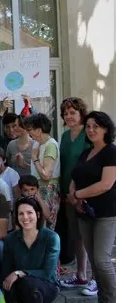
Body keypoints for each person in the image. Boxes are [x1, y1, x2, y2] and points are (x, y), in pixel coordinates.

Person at [71, 111, 116, 303]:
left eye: (96, 126)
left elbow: (106, 184)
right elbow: (75, 177)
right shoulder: (85, 153)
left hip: (106, 213)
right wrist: (73, 195)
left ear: (106, 128)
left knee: (102, 260)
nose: (91, 130)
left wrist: (78, 195)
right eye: (88, 126)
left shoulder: (111, 152)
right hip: (84, 213)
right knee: (95, 263)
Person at [1, 197, 60, 303]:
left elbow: (48, 272)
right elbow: (6, 274)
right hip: (19, 290)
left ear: (37, 215)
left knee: (28, 281)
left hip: (46, 287)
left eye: (29, 212)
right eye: (21, 214)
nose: (25, 217)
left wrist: (20, 272)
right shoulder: (10, 239)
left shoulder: (51, 237)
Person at [57, 97, 92, 291]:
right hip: (66, 194)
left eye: (73, 112)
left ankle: (92, 276)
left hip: (84, 192)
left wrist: (79, 193)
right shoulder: (64, 136)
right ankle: (80, 274)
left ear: (81, 114)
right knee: (76, 235)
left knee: (88, 235)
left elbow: (89, 165)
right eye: (66, 113)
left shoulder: (88, 135)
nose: (69, 116)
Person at [23, 113, 61, 231]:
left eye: (30, 130)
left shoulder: (50, 145)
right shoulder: (38, 143)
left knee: (46, 227)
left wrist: (35, 157)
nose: (29, 134)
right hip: (38, 188)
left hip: (47, 189)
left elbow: (45, 174)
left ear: (39, 130)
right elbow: (37, 170)